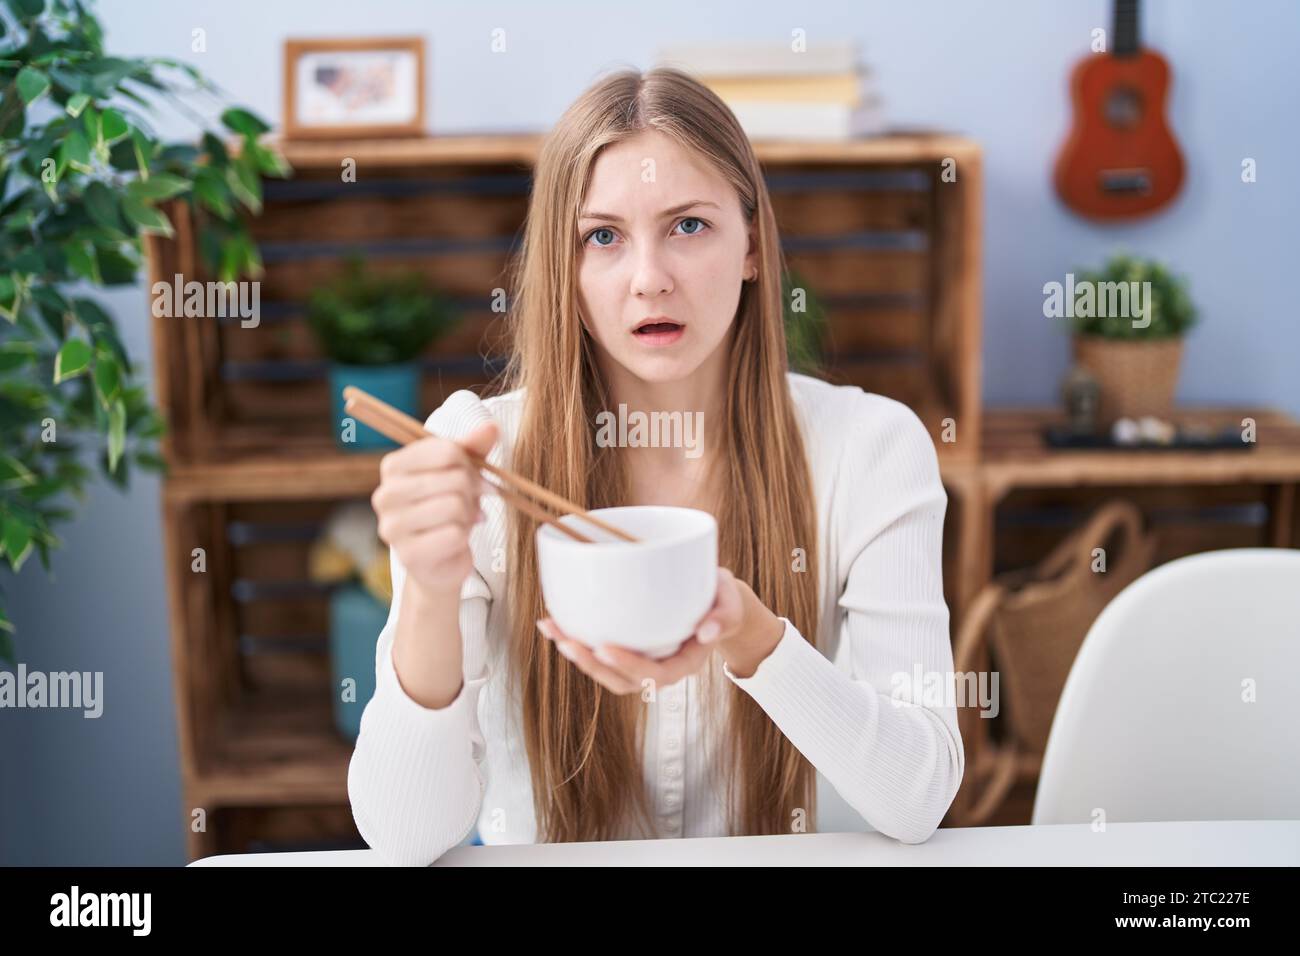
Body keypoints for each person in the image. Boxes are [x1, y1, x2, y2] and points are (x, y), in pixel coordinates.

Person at [347, 67, 964, 866]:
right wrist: (430, 591)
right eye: (602, 237)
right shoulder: (473, 452)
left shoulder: (873, 448)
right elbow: (402, 841)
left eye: (689, 226)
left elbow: (917, 798)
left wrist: (754, 640)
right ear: (565, 271)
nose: (650, 279)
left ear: (751, 244)